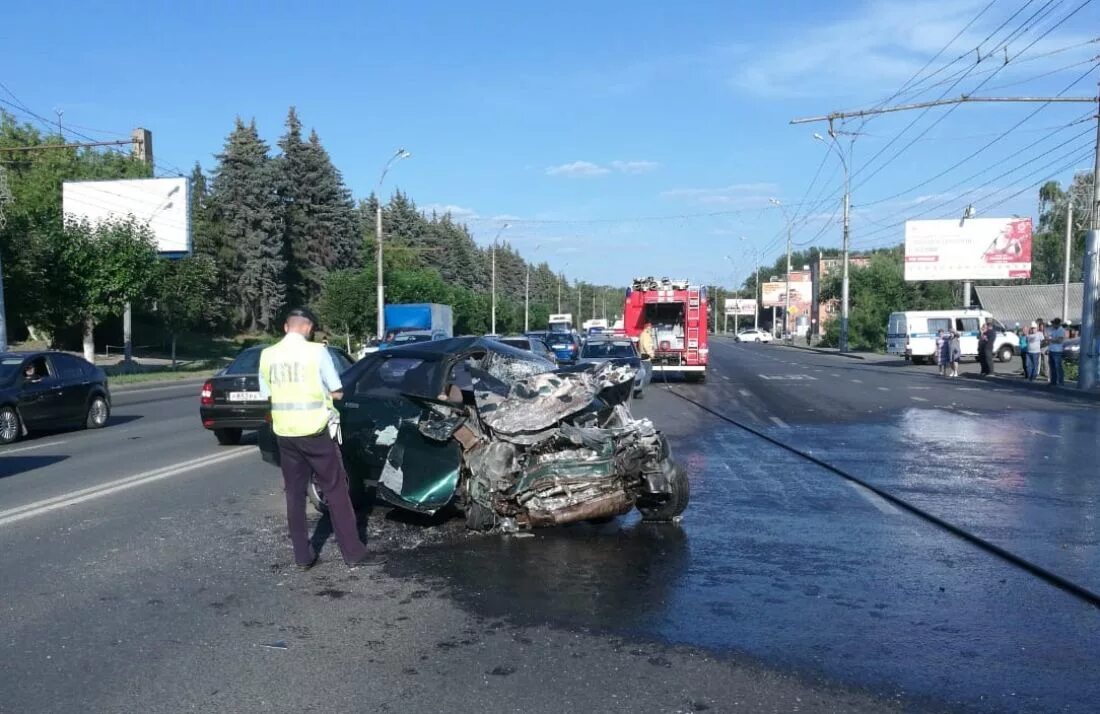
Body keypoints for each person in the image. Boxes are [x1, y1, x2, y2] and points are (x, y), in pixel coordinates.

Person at [259, 308, 381, 570]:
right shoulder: (316, 352)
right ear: (308, 328)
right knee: (336, 489)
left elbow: (266, 393)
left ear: (285, 327)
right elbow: (337, 391)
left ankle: (303, 556)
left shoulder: (267, 355)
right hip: (315, 431)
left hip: (285, 433)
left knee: (294, 494)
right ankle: (353, 552)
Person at [1047, 317, 1067, 386]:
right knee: (1052, 367)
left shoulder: (1061, 330)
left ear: (1057, 324)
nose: (1053, 325)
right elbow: (1050, 337)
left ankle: (1061, 382)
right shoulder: (1052, 330)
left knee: (1058, 367)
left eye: (1054, 324)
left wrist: (1051, 340)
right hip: (1051, 350)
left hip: (1057, 351)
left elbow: (1060, 341)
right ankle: (1053, 381)